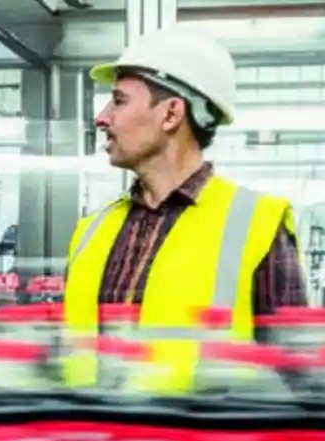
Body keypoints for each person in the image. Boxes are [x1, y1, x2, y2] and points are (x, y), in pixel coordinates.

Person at [62, 26, 306, 390]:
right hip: (86, 427)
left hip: (206, 428)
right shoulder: (91, 230)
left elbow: (293, 379)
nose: (102, 117)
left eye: (119, 101)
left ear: (171, 114)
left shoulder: (257, 225)